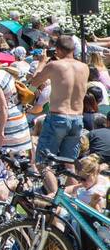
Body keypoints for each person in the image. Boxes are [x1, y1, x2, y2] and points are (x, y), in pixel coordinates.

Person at [31, 34, 90, 168]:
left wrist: (41, 62)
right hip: (77, 118)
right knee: (70, 164)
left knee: (43, 162)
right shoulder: (84, 67)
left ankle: (51, 190)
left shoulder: (54, 65)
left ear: (58, 50)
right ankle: (69, 189)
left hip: (58, 117)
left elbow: (34, 82)